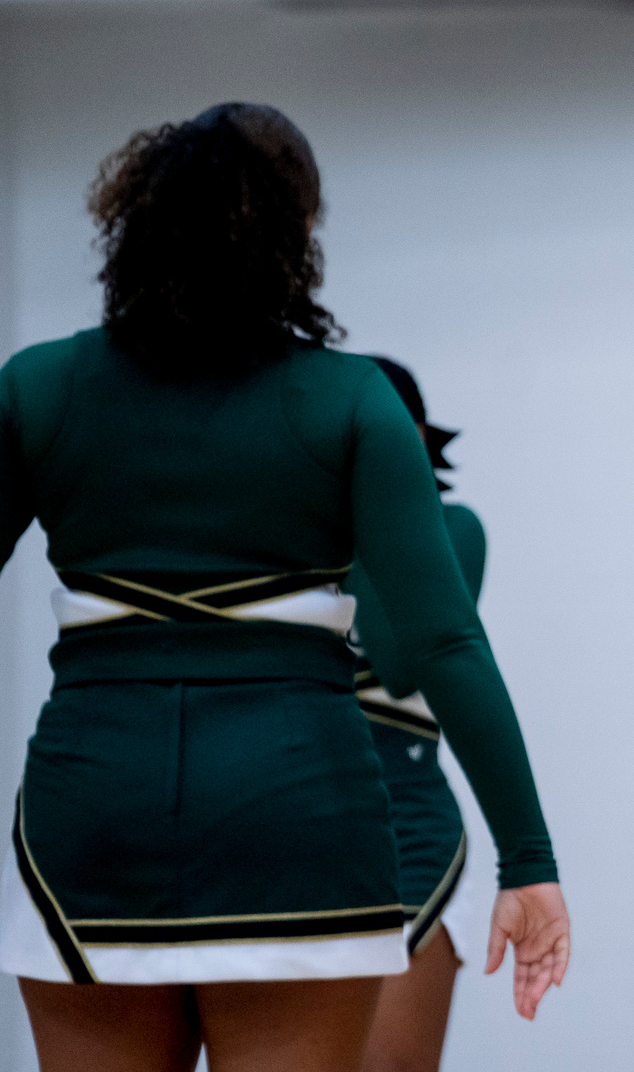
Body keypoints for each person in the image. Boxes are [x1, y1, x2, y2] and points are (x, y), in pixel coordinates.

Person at [0, 104, 568, 1071]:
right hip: (297, 820)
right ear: (297, 239)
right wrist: (529, 860)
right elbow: (441, 643)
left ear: (131, 224)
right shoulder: (353, 401)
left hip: (91, 819)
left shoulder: (37, 388)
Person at [346, 356, 487, 1072]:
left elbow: (399, 666)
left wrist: (368, 510)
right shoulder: (290, 543)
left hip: (409, 839)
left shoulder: (453, 530)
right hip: (288, 823)